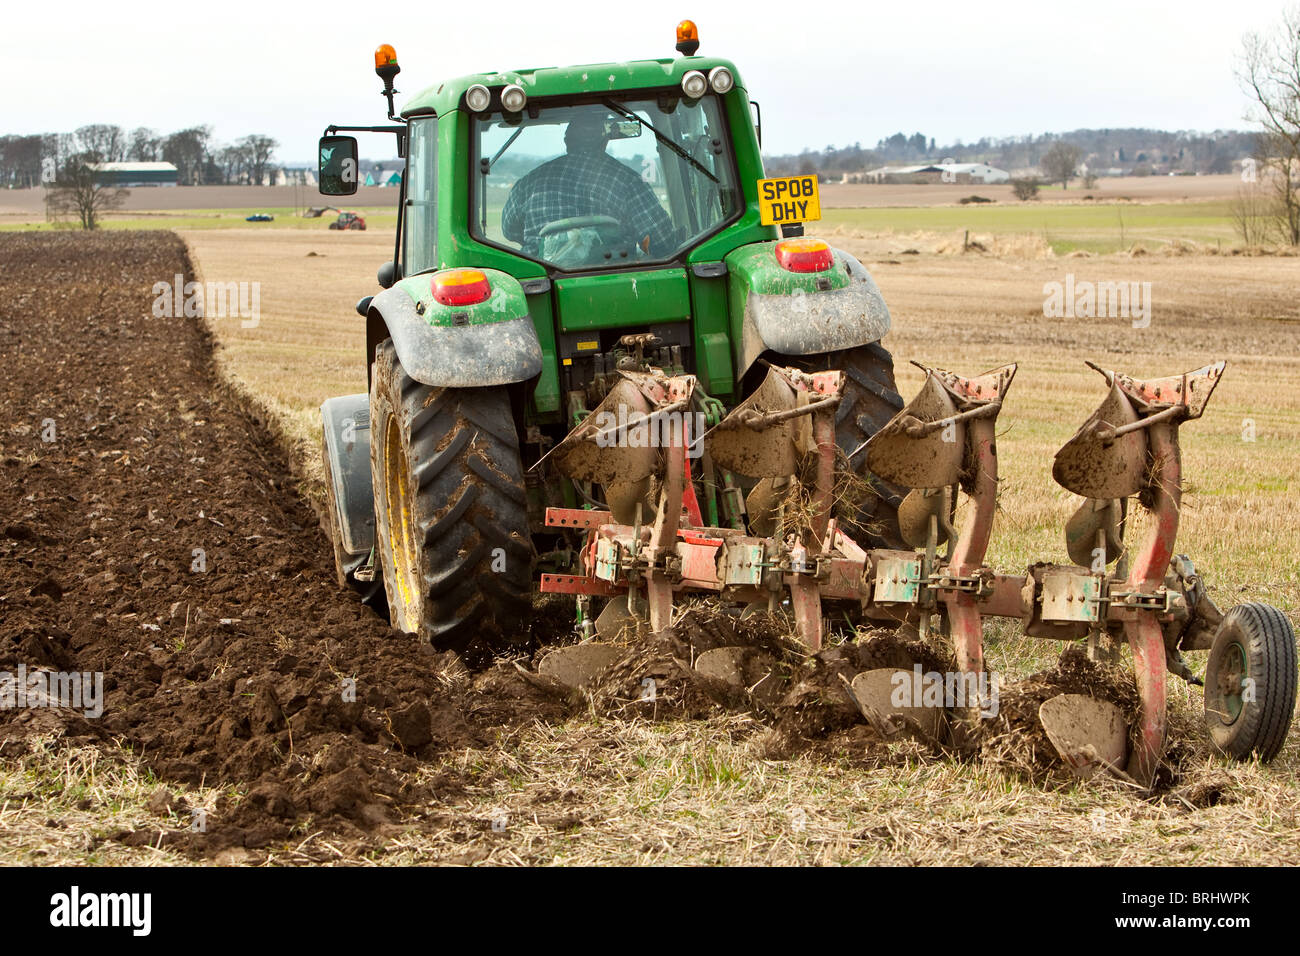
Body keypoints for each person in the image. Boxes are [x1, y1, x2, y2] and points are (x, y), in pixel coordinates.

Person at [502, 112, 674, 258]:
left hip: (541, 279)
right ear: (604, 141)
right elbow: (661, 238)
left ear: (567, 141)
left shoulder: (528, 183)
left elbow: (510, 231)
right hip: (615, 276)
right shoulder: (629, 181)